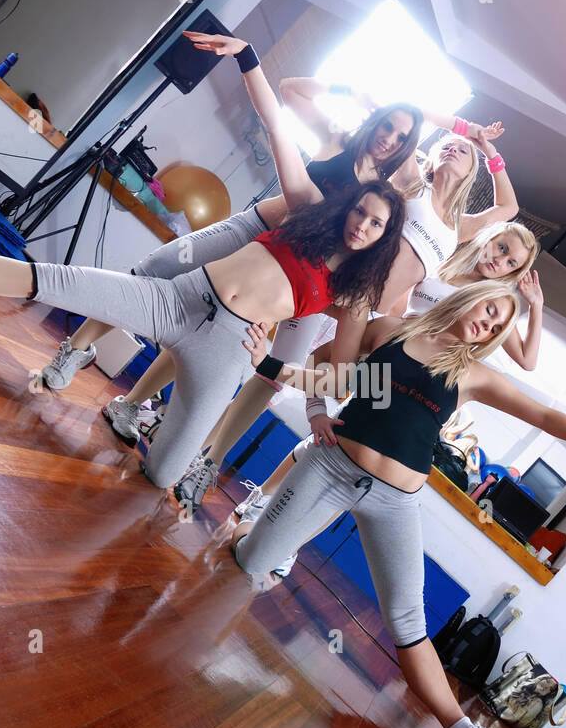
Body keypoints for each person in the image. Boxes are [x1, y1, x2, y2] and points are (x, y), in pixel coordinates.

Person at [229, 281, 566, 728]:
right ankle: (253, 520)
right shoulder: (388, 330)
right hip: (331, 466)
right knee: (252, 559)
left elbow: (543, 413)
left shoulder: (473, 375)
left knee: (408, 618)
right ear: (471, 298)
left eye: (499, 324)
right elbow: (326, 369)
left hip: (396, 500)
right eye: (490, 309)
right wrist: (308, 404)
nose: (489, 323)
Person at [0, 157, 405, 491]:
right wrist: (248, 59)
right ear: (347, 207)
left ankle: (141, 421)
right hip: (181, 299)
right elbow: (281, 136)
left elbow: (340, 377)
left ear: (385, 237)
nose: (362, 225)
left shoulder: (350, 296)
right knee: (47, 278)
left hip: (226, 353)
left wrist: (270, 362)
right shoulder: (305, 214)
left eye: (376, 223)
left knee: (164, 473)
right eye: (360, 212)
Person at [37, 32, 425, 393]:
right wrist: (351, 91)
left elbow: (415, 187)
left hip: (283, 268)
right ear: (376, 120)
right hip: (253, 229)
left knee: (210, 329)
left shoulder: (381, 195)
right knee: (155, 269)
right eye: (387, 126)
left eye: (401, 137)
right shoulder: (338, 139)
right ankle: (77, 349)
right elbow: (290, 92)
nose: (388, 138)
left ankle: (133, 405)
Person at [170, 218, 545, 515]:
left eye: (512, 263)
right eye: (502, 248)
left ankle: (264, 500)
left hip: (405, 382)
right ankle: (208, 461)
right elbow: (395, 307)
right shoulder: (440, 266)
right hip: (384, 349)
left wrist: (536, 306)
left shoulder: (492, 304)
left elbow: (527, 360)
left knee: (335, 437)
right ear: (489, 238)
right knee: (293, 389)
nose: (500, 260)